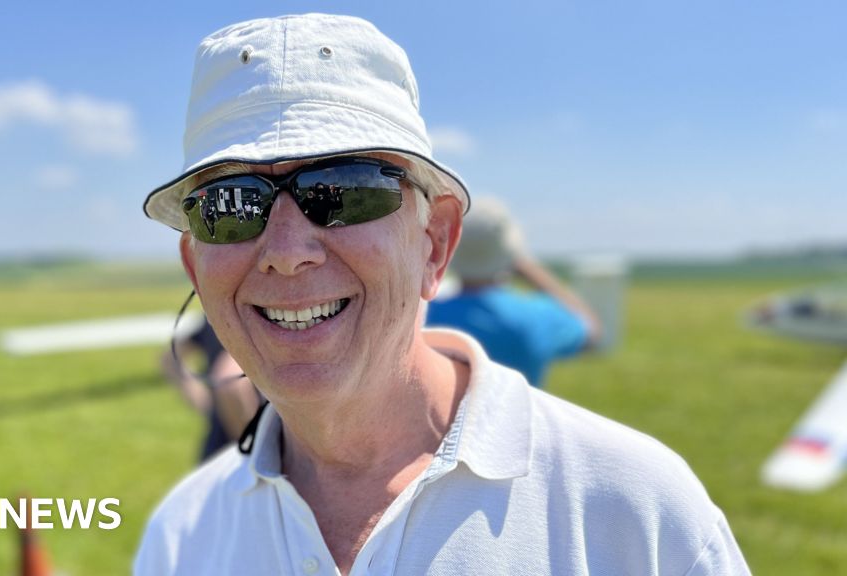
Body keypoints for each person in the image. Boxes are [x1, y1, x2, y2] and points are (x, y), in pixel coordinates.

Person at [135, 13, 750, 575]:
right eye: (229, 205)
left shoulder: (635, 514)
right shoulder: (183, 533)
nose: (288, 250)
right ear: (196, 264)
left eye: (344, 191)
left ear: (435, 243)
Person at [426, 197, 601, 387]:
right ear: (508, 250)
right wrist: (531, 271)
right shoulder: (535, 316)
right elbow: (592, 332)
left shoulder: (425, 315)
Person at [160, 320, 260, 461]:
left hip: (215, 454)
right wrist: (258, 450)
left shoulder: (213, 315)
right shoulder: (253, 317)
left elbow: (170, 358)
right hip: (243, 458)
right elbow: (230, 383)